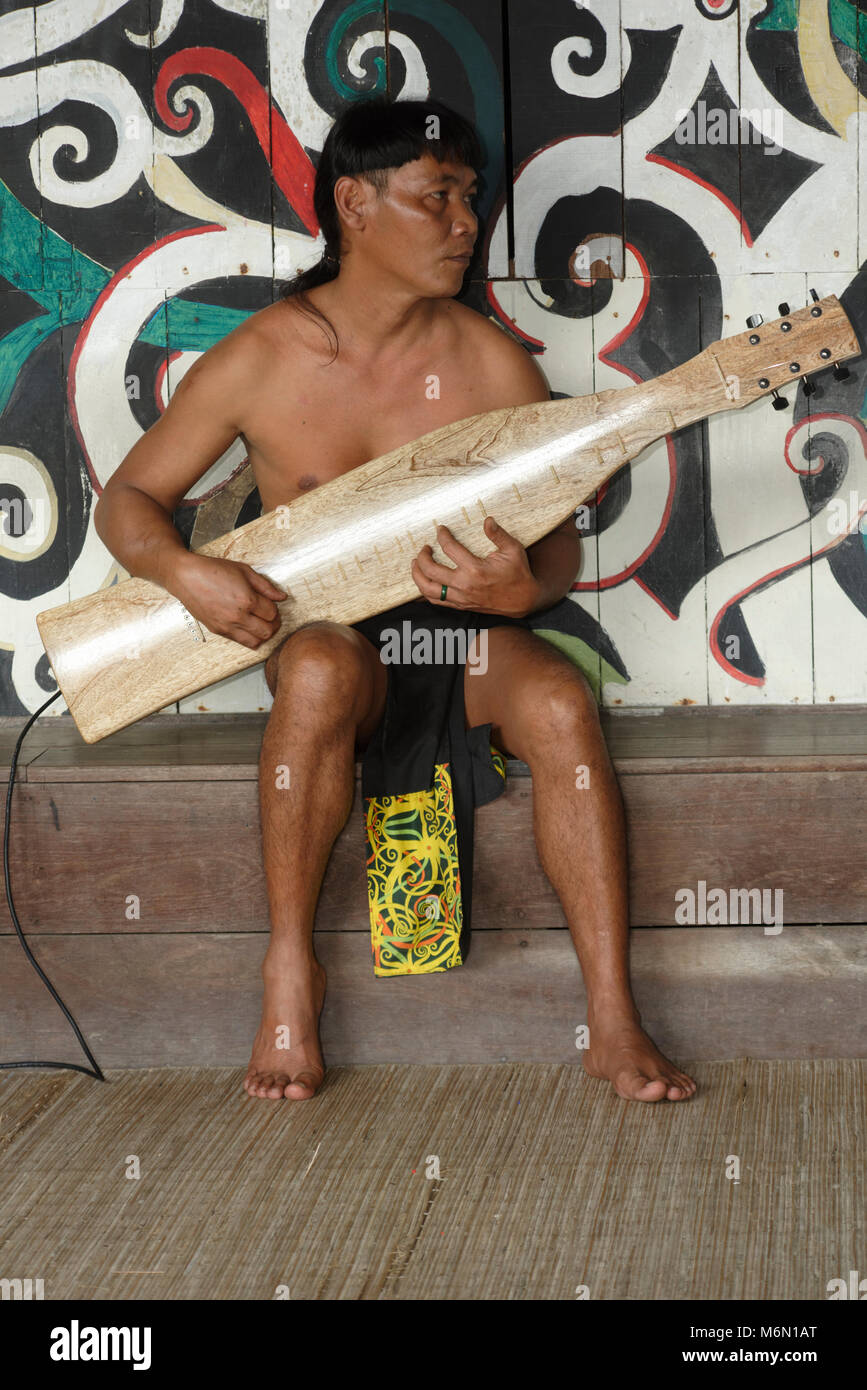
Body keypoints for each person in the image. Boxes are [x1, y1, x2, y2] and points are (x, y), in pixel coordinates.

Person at [94, 96, 696, 1105]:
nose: (466, 221)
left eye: (470, 195)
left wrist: (522, 585)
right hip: (328, 642)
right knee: (324, 667)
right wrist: (184, 571)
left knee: (558, 702)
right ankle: (290, 968)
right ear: (354, 205)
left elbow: (549, 558)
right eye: (436, 197)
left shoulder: (489, 361)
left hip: (458, 641)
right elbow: (128, 503)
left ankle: (614, 1017)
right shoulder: (264, 356)